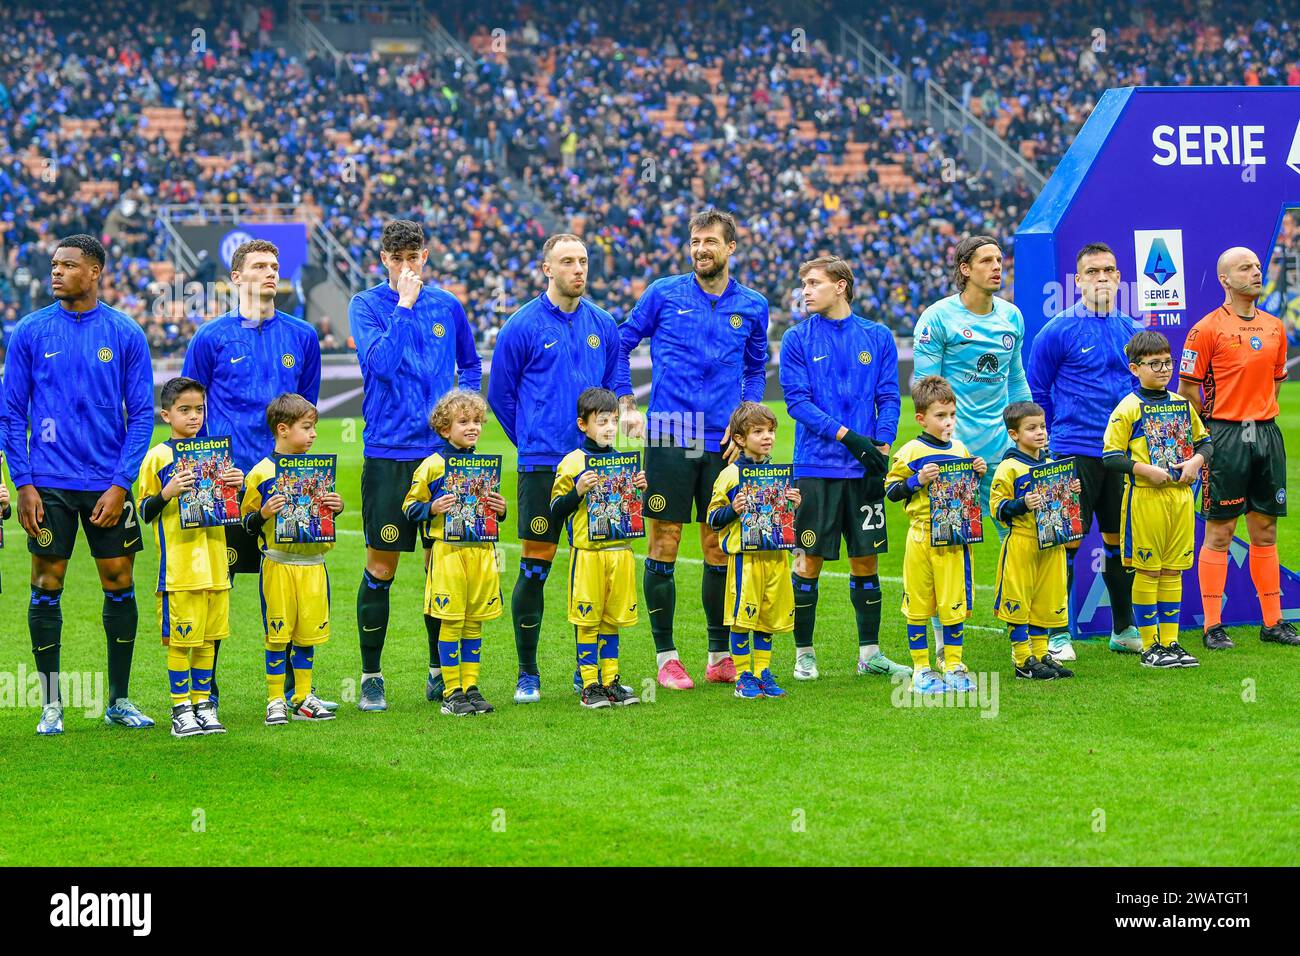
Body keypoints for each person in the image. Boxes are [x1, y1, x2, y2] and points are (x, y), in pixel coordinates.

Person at [2, 234, 155, 735]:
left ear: (94, 273)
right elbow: (11, 413)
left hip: (107, 485)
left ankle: (119, 699)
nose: (56, 272)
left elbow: (141, 417)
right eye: (54, 265)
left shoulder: (126, 333)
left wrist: (120, 483)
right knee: (47, 583)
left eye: (68, 265)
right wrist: (23, 482)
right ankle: (51, 703)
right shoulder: (29, 331)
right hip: (48, 485)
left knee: (119, 581)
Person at [615, 209, 770, 690]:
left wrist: (747, 414)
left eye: (710, 241)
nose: (701, 249)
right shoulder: (663, 293)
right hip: (670, 431)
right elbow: (620, 343)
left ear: (731, 248)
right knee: (664, 541)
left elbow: (756, 365)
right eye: (695, 241)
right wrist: (625, 402)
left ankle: (719, 655)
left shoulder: (753, 304)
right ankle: (666, 657)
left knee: (717, 543)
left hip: (723, 440)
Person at [181, 238, 323, 709]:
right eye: (259, 266)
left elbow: (305, 410)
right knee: (213, 588)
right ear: (236, 277)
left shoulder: (302, 335)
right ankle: (206, 692)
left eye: (275, 265)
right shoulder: (210, 337)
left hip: (283, 486)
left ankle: (291, 695)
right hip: (222, 484)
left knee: (284, 586)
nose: (270, 272)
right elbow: (190, 410)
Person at [349, 220, 481, 712]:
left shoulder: (448, 305)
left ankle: (437, 672)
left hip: (440, 457)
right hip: (388, 451)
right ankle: (371, 675)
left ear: (425, 255)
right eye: (397, 257)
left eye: (414, 256)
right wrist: (403, 306)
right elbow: (381, 364)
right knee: (381, 567)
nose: (407, 265)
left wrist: (462, 411)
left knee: (439, 568)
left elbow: (470, 364)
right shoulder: (366, 306)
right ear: (383, 259)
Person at [486, 234, 620, 704]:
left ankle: (601, 674)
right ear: (546, 268)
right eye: (567, 261)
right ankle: (527, 671)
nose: (578, 269)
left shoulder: (603, 323)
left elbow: (616, 385)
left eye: (583, 261)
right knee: (536, 566)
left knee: (601, 565)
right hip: (543, 464)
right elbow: (500, 396)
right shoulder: (521, 325)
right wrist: (530, 441)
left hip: (598, 467)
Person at [778, 255, 909, 681]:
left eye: (814, 283)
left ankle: (869, 653)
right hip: (817, 467)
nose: (806, 292)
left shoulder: (878, 335)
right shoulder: (797, 339)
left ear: (841, 286)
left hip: (864, 469)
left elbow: (889, 396)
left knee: (866, 561)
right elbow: (797, 402)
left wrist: (883, 440)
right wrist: (847, 436)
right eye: (804, 284)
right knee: (808, 561)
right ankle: (803, 654)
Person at [913, 236, 1030, 664]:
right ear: (965, 268)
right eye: (986, 260)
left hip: (1001, 452)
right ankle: (947, 637)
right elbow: (926, 388)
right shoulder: (938, 317)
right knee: (950, 546)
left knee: (1020, 540)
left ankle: (1029, 630)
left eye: (1000, 260)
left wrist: (1029, 430)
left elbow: (1015, 380)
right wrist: (944, 444)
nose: (997, 267)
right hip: (954, 456)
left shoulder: (1012, 317)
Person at [1027, 241, 1146, 660]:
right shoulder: (1058, 329)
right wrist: (1054, 436)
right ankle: (1058, 633)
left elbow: (1140, 393)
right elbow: (1037, 389)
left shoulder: (1132, 331)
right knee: (1065, 543)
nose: (1101, 277)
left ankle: (1123, 627)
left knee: (1119, 543)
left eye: (1108, 270)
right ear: (1077, 281)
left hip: (1119, 456)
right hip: (1071, 451)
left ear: (1118, 278)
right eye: (1092, 271)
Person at [1178, 246, 1295, 649]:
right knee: (1221, 531)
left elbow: (1275, 381)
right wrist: (1208, 435)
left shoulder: (1275, 327)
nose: (1256, 272)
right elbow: (1188, 391)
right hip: (1225, 437)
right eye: (1245, 268)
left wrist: (1257, 411)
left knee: (1265, 528)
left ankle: (1273, 622)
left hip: (1266, 433)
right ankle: (1213, 625)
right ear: (1225, 279)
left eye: (1258, 266)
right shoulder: (1206, 328)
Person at [138, 378, 244, 736]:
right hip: (179, 570)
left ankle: (203, 704)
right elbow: (144, 510)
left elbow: (233, 510)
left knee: (209, 640)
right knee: (182, 641)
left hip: (216, 566)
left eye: (199, 409)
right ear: (166, 414)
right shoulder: (159, 456)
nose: (194, 416)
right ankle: (180, 708)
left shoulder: (215, 454)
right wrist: (167, 492)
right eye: (185, 410)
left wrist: (236, 485)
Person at [1103, 332, 1211, 668]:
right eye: (1154, 364)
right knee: (1149, 571)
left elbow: (1205, 442)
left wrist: (1196, 461)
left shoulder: (1181, 404)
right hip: (1145, 499)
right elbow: (1110, 456)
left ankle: (1171, 642)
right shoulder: (1128, 409)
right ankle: (1150, 646)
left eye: (1167, 362)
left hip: (1179, 499)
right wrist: (1145, 470)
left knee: (1173, 571)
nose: (1163, 369)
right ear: (1135, 368)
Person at [402, 390, 508, 716]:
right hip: (447, 553)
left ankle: (471, 686)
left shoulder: (482, 466)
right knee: (451, 621)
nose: (472, 427)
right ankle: (451, 690)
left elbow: (491, 511)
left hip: (481, 552)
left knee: (474, 622)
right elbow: (409, 507)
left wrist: (500, 509)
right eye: (463, 422)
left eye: (477, 421)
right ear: (445, 428)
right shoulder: (433, 466)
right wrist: (431, 508)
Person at [241, 394, 345, 724]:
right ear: (283, 429)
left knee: (306, 635)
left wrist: (335, 508)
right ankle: (275, 699)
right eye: (307, 427)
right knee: (277, 634)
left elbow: (321, 519)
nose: (314, 434)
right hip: (278, 564)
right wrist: (262, 513)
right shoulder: (261, 472)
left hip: (314, 565)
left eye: (314, 427)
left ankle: (302, 696)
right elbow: (244, 523)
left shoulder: (317, 472)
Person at [884, 375, 987, 694]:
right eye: (940, 416)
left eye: (952, 415)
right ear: (921, 418)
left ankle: (954, 664)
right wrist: (916, 481)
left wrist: (977, 473)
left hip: (955, 539)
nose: (948, 422)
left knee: (953, 603)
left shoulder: (960, 448)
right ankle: (921, 669)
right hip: (921, 538)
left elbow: (965, 494)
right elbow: (890, 490)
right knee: (918, 604)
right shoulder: (912, 451)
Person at [549, 388, 647, 709]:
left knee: (611, 619)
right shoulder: (573, 462)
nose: (608, 427)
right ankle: (589, 684)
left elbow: (630, 513)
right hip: (588, 555)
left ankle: (610, 680)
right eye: (601, 420)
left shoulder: (622, 461)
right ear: (583, 425)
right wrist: (577, 490)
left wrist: (640, 492)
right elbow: (555, 509)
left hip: (619, 553)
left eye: (614, 420)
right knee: (588, 618)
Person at [705, 402, 802, 700]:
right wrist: (733, 510)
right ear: (739, 439)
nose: (767, 437)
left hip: (774, 558)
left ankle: (762, 672)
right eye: (758, 431)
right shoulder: (731, 476)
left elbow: (780, 520)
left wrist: (792, 506)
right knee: (742, 618)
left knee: (767, 617)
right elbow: (712, 517)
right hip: (744, 562)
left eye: (770, 431)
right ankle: (743, 674)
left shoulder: (776, 474)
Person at [989, 401, 1080, 680]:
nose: (1040, 432)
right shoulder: (1009, 467)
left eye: (1042, 426)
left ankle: (1041, 655)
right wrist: (1022, 503)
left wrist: (1072, 492)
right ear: (1014, 434)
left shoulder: (1052, 464)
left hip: (1051, 544)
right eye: (1031, 428)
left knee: (1045, 601)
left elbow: (1064, 508)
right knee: (1019, 601)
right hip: (1022, 543)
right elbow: (997, 508)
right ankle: (1021, 660)